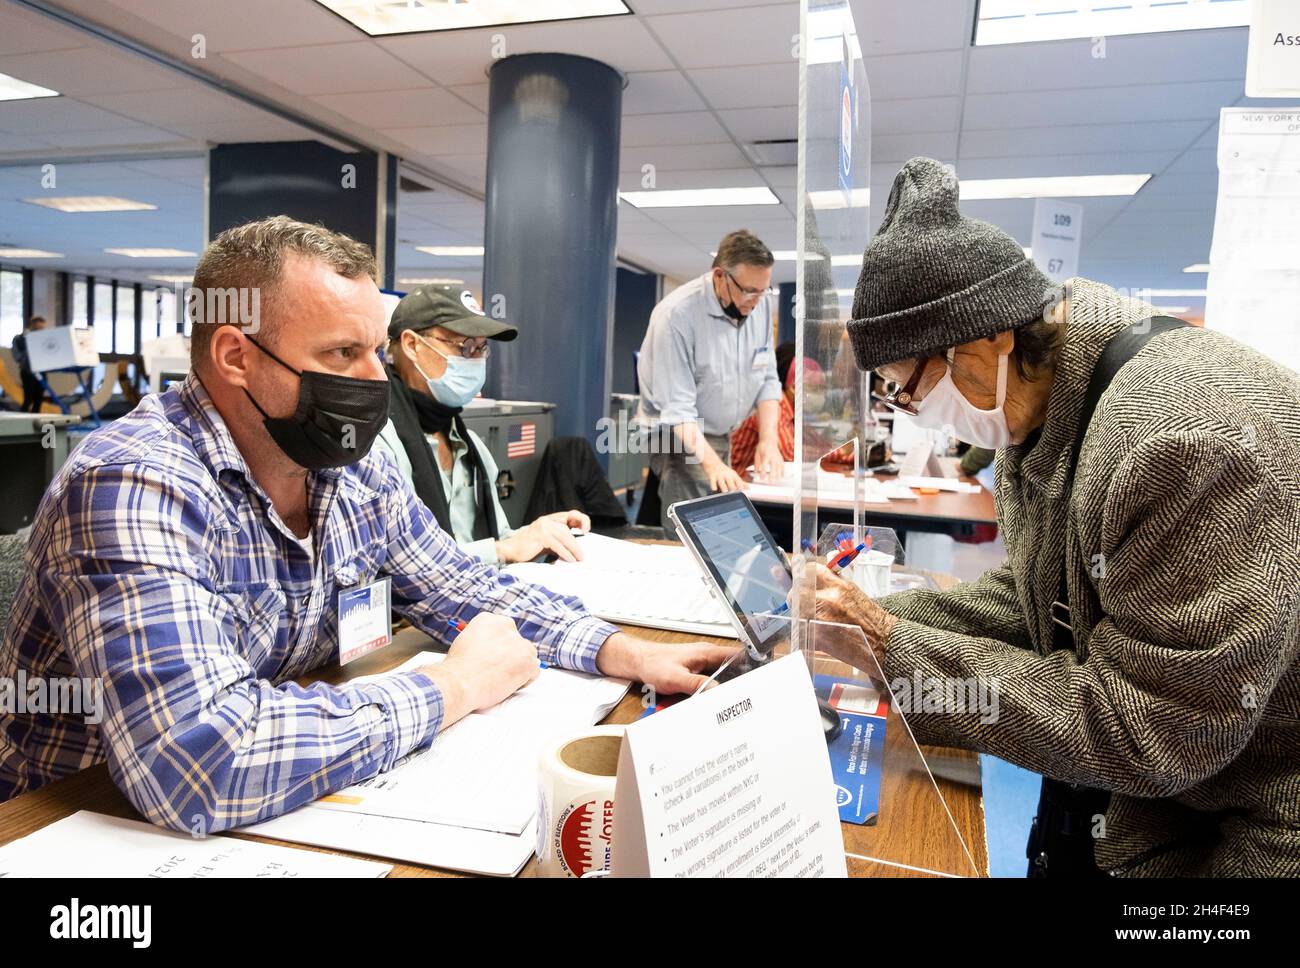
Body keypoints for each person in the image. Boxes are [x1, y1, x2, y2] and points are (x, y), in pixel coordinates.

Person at [0, 216, 735, 830]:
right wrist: (453, 687)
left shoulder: (347, 469)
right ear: (235, 356)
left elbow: (462, 587)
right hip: (78, 823)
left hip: (278, 805)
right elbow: (202, 762)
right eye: (341, 354)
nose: (376, 381)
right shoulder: (134, 484)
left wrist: (622, 652)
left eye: (375, 351)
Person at [804, 157, 1300, 878]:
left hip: (1255, 824)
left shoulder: (1180, 441)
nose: (908, 412)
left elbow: (1153, 728)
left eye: (904, 390)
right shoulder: (1043, 401)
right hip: (1166, 804)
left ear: (979, 345)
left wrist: (892, 650)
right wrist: (873, 617)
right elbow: (1044, 598)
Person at [373, 285, 590, 564]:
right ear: (413, 345)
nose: (475, 361)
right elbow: (397, 564)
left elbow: (494, 542)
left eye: (480, 349)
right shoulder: (380, 444)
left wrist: (543, 535)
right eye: (464, 347)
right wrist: (503, 550)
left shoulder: (471, 446)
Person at [636, 230, 784, 533]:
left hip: (719, 432)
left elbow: (768, 377)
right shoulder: (676, 316)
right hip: (675, 435)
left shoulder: (758, 305)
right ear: (720, 275)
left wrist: (768, 439)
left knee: (721, 520)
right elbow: (678, 410)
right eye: (749, 291)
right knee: (695, 530)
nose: (756, 302)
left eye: (763, 291)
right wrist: (713, 464)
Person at [729, 344, 827, 474]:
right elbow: (790, 453)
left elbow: (816, 443)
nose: (820, 395)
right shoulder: (775, 403)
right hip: (737, 481)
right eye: (814, 389)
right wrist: (835, 452)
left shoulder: (794, 410)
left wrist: (843, 451)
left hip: (757, 478)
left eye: (822, 389)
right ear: (793, 387)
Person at [11, 315, 49, 413]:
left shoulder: (44, 340)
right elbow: (17, 356)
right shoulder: (19, 339)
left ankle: (36, 420)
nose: (40, 332)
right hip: (28, 372)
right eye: (38, 329)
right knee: (28, 398)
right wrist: (30, 343)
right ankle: (22, 420)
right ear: (32, 326)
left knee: (39, 399)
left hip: (41, 371)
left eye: (42, 329)